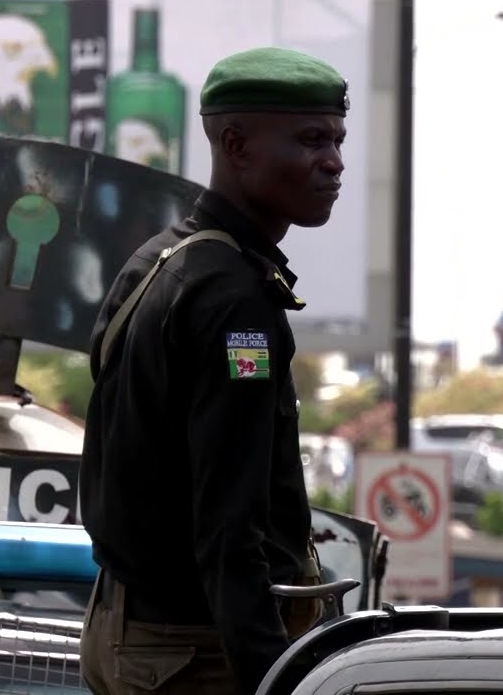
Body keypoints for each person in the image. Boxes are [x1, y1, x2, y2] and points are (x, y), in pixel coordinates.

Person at [78, 46, 350, 695]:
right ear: (236, 144)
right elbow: (229, 531)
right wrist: (274, 681)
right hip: (195, 656)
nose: (335, 162)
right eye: (312, 141)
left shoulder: (163, 259)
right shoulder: (236, 304)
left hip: (132, 633)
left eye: (338, 141)